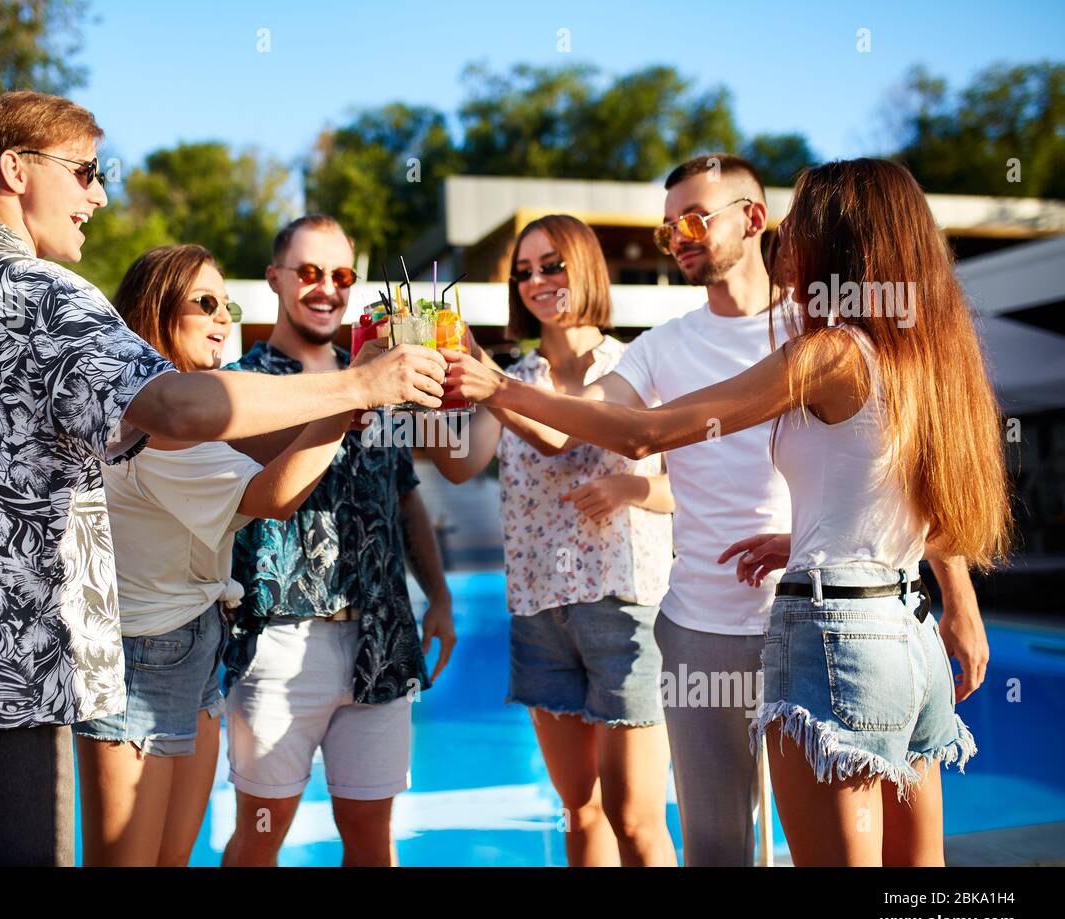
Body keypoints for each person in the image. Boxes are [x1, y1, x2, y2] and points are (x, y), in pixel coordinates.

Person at [0, 91, 444, 867]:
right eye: (85, 172)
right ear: (16, 170)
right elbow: (177, 408)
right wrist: (361, 385)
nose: (99, 194)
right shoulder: (49, 299)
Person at [445, 157, 1009, 866]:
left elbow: (645, 433)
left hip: (837, 638)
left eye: (802, 221)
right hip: (903, 634)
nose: (789, 235)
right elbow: (912, 494)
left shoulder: (825, 349)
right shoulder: (924, 348)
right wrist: (806, 541)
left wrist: (503, 386)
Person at [461, 154, 796, 865]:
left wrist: (632, 489)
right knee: (685, 834)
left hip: (754, 606)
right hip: (640, 616)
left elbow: (898, 459)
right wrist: (457, 385)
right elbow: (547, 436)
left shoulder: (815, 334)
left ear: (755, 218)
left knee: (763, 829)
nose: (678, 236)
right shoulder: (656, 351)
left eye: (694, 220)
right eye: (669, 225)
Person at [74, 245, 360, 866]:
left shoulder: (190, 414)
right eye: (204, 303)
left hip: (194, 640)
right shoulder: (155, 426)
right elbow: (274, 495)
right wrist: (355, 394)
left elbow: (276, 436)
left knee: (172, 860)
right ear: (156, 312)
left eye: (225, 303)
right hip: (139, 660)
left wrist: (350, 395)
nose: (224, 317)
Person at [424, 215, 676, 866]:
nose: (538, 280)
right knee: (579, 809)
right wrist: (432, 394)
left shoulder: (638, 366)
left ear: (587, 267)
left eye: (553, 264)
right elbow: (457, 465)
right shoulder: (512, 377)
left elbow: (693, 490)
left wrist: (633, 491)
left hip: (628, 609)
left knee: (636, 820)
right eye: (525, 270)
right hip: (540, 611)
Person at [220, 215, 457, 867]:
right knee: (259, 839)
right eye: (310, 272)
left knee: (373, 846)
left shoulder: (385, 388)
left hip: (380, 638)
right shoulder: (247, 385)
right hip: (277, 639)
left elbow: (406, 497)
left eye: (342, 275)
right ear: (275, 278)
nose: (326, 288)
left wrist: (438, 595)